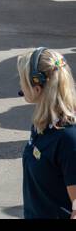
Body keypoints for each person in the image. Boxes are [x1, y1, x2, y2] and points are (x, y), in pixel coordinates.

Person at [18, 48, 76, 220]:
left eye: (22, 81)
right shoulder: (43, 121)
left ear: (37, 89)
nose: (20, 86)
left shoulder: (68, 139)